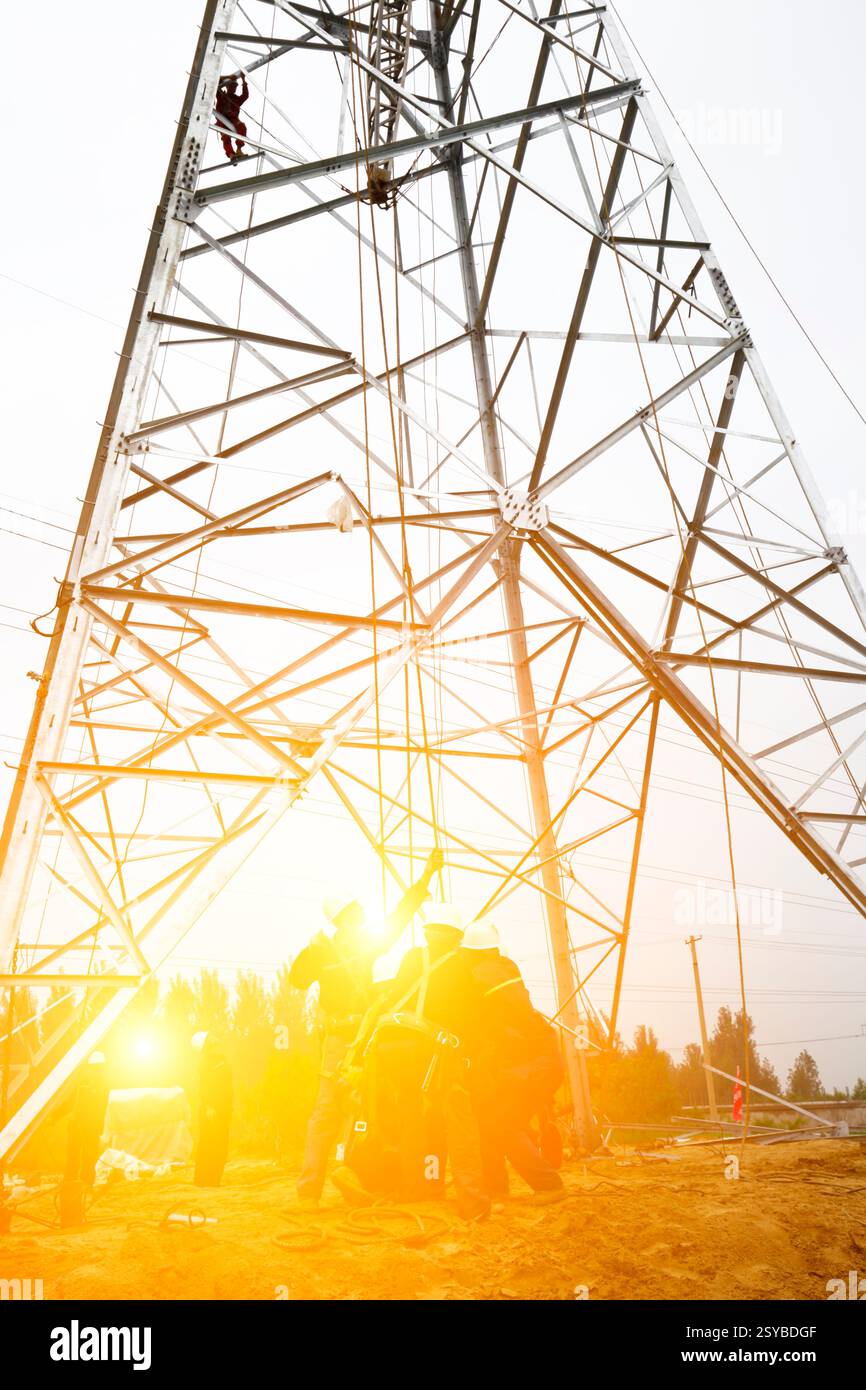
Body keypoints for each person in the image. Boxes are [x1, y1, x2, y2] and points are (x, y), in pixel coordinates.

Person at [290, 849, 443, 1206]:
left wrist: (314, 949)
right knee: (359, 1105)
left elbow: (296, 979)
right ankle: (349, 1174)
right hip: (360, 1038)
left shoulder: (332, 947)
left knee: (332, 1110)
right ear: (348, 915)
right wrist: (424, 880)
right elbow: (399, 919)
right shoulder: (358, 943)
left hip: (342, 1038)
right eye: (356, 911)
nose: (361, 914)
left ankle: (311, 1190)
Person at [332, 903, 491, 1221]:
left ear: (429, 932)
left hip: (390, 1043)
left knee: (410, 1117)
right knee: (458, 1117)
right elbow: (473, 1021)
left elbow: (392, 999)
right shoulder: (462, 967)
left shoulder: (412, 958)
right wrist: (470, 1059)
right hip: (428, 1045)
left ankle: (414, 1189)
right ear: (458, 936)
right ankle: (473, 1204)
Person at [460, 919, 566, 1205]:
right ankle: (496, 1188)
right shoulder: (506, 972)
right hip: (544, 1061)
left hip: (534, 1066)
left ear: (469, 952)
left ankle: (550, 1186)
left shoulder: (479, 979)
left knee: (502, 1124)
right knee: (492, 1119)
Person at [192, 1031, 233, 1187]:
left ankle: (213, 1181)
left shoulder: (221, 1060)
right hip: (211, 1111)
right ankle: (203, 1182)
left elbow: (226, 1088)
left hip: (223, 1110)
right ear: (206, 1046)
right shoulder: (206, 1064)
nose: (217, 1040)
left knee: (220, 1146)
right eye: (212, 1040)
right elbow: (205, 1088)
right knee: (209, 1146)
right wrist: (209, 1106)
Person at [215, 73, 249, 162]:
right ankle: (231, 154)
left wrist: (243, 80)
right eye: (232, 86)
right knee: (226, 137)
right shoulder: (221, 95)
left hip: (233, 119)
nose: (234, 88)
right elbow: (215, 79)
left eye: (235, 87)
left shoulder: (236, 99)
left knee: (242, 126)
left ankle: (239, 149)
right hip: (222, 120)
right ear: (227, 87)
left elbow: (245, 96)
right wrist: (228, 77)